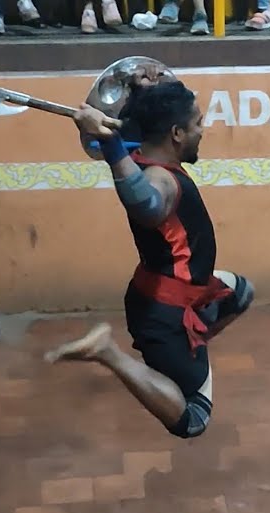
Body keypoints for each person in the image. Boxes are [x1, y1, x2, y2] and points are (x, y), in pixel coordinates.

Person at [45, 81, 256, 441]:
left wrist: (140, 89)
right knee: (193, 418)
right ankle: (107, 352)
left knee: (240, 292)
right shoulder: (159, 179)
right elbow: (147, 207)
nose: (202, 131)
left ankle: (182, 357)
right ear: (176, 133)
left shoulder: (150, 155)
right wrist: (111, 146)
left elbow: (139, 118)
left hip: (175, 290)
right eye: (197, 124)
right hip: (165, 313)